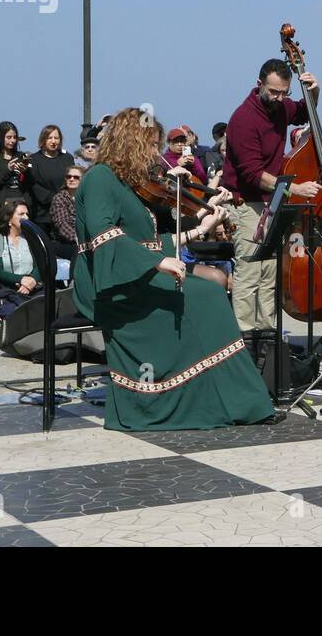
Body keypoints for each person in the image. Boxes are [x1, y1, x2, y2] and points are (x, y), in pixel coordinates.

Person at [71, 108, 276, 430]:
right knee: (207, 296)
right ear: (132, 142)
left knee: (210, 292)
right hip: (108, 285)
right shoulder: (99, 178)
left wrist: (200, 226)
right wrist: (155, 262)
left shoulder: (127, 183)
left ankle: (227, 398)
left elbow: (149, 241)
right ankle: (221, 399)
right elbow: (104, 235)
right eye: (151, 144)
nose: (157, 153)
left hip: (132, 274)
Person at [224, 58, 322, 331]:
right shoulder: (243, 118)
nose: (280, 98)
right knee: (249, 272)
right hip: (247, 202)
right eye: (274, 92)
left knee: (269, 273)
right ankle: (244, 338)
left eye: (284, 93)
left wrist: (314, 90)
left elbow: (303, 113)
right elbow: (252, 174)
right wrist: (294, 189)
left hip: (271, 201)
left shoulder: (279, 106)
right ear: (259, 85)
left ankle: (266, 335)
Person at [0, 200, 45, 303]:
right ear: (9, 219)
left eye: (27, 214)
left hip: (33, 288)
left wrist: (32, 280)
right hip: (8, 291)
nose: (26, 218)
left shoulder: (32, 238)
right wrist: (20, 279)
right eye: (21, 214)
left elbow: (41, 263)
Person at [28, 124, 75, 237]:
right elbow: (33, 184)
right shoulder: (34, 159)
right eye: (49, 138)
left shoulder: (67, 158)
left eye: (56, 138)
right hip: (42, 213)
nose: (53, 141)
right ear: (43, 139)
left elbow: (71, 180)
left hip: (64, 212)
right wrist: (53, 198)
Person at [0, 120, 30, 204]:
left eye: (15, 137)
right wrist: (8, 170)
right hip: (2, 204)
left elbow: (30, 183)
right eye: (9, 137)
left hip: (22, 202)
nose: (13, 140)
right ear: (1, 138)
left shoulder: (21, 156)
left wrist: (25, 172)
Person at [49, 166, 85, 261]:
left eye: (76, 177)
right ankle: (74, 276)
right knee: (79, 250)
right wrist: (79, 238)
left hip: (86, 238)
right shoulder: (59, 198)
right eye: (69, 177)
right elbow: (62, 224)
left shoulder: (87, 198)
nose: (72, 179)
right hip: (64, 242)